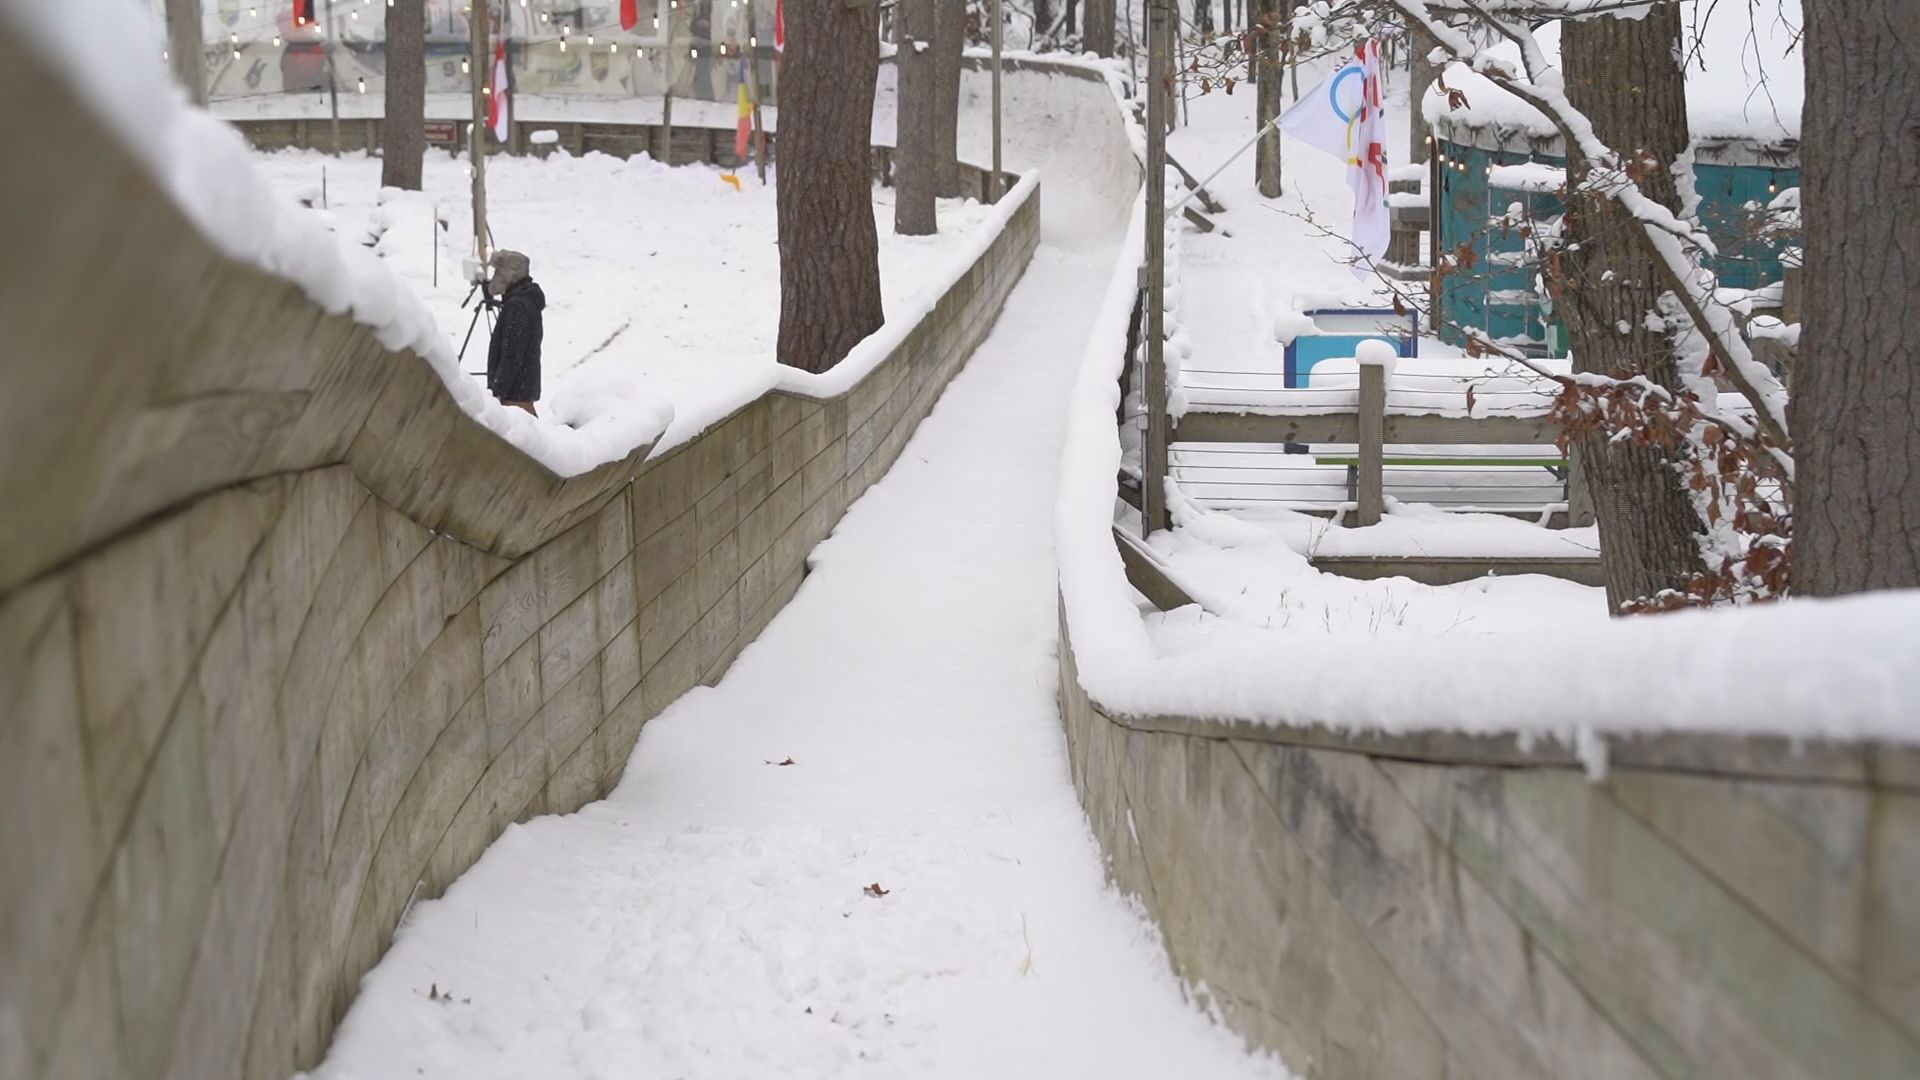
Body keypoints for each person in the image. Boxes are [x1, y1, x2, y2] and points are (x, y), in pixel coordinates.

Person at [485, 249, 544, 416]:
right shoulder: (522, 301)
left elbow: (512, 353)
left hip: (514, 395)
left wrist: (498, 391)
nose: (494, 277)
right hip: (518, 390)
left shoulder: (518, 306)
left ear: (510, 275)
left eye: (498, 271)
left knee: (522, 440)